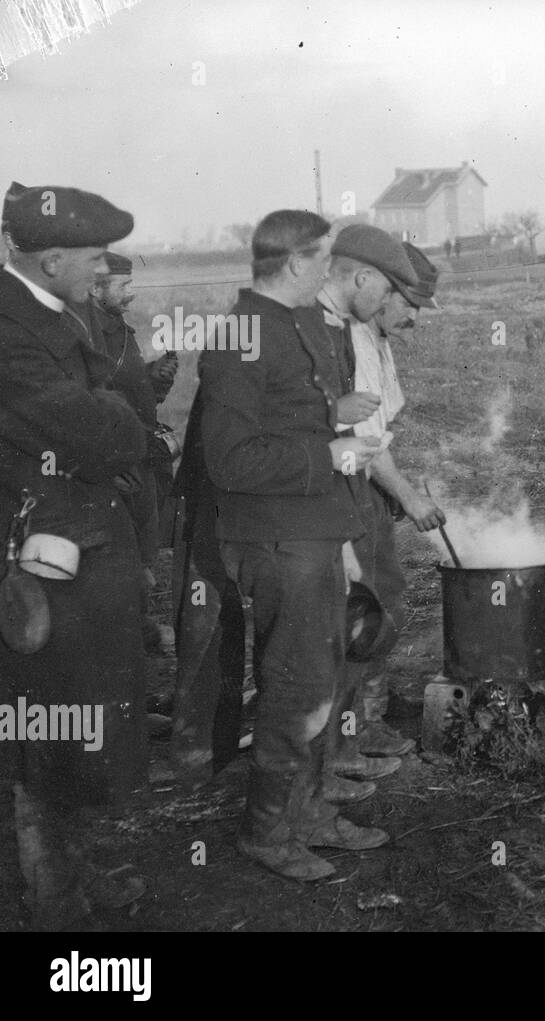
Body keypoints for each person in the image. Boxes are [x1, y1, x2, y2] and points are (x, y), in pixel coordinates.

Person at [200, 209, 388, 881]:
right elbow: (229, 458)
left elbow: (280, 412)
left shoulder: (289, 322)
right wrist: (327, 449)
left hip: (310, 532)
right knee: (294, 686)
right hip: (277, 538)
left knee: (321, 675)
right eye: (324, 259)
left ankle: (306, 812)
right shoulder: (243, 335)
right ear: (296, 265)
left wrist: (326, 414)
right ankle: (267, 831)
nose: (330, 271)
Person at [0, 182, 149, 928]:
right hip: (43, 563)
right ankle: (51, 900)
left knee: (75, 725)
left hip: (80, 546)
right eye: (94, 257)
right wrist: (122, 422)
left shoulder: (55, 309)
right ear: (52, 256)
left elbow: (106, 410)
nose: (104, 269)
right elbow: (99, 429)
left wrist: (115, 417)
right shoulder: (10, 325)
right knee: (45, 733)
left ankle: (68, 875)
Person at [317, 227, 441, 790]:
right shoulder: (354, 341)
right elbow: (365, 444)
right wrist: (410, 498)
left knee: (380, 599)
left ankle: (361, 722)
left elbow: (381, 433)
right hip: (345, 490)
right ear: (381, 290)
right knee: (360, 609)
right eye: (409, 303)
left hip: (364, 488)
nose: (415, 317)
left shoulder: (375, 338)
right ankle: (341, 741)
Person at [83, 251, 179, 651]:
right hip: (118, 465)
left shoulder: (118, 330)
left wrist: (155, 379)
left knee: (139, 558)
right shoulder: (88, 337)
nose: (130, 295)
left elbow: (128, 393)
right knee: (122, 564)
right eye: (123, 286)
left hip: (137, 459)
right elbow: (90, 406)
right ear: (95, 288)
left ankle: (136, 655)